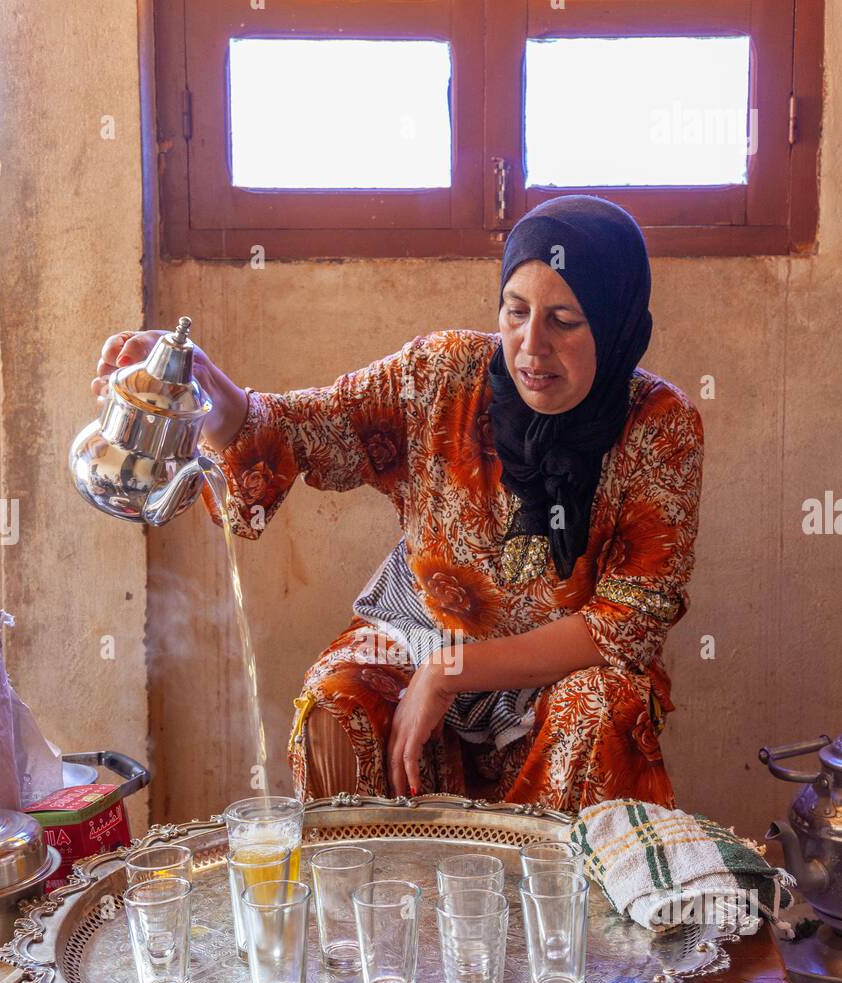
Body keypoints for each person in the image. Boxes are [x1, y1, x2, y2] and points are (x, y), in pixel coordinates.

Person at [93, 195, 703, 812]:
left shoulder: (660, 427)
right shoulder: (441, 376)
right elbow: (311, 427)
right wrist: (205, 387)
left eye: (565, 321)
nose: (531, 347)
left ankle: (557, 905)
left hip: (557, 674)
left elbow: (628, 627)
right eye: (516, 312)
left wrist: (450, 673)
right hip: (421, 631)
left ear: (616, 321)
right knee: (335, 703)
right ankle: (368, 905)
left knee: (603, 707)